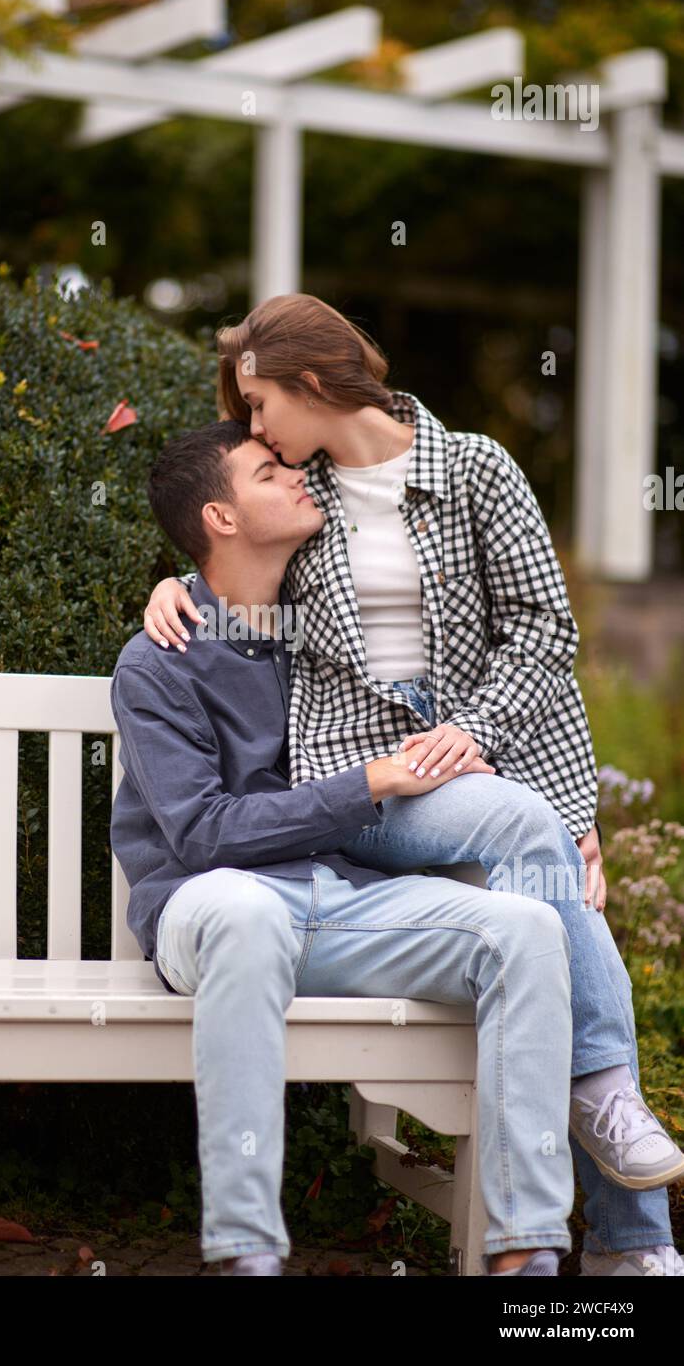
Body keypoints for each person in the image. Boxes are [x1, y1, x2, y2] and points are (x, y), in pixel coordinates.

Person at [141, 297, 684, 1277]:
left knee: (545, 897)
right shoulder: (308, 506)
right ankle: (615, 1146)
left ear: (314, 380)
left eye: (263, 405)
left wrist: (570, 815)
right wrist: (174, 585)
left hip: (483, 771)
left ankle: (613, 1245)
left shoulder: (476, 469)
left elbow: (544, 641)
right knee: (529, 837)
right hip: (370, 789)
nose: (258, 430)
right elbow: (228, 553)